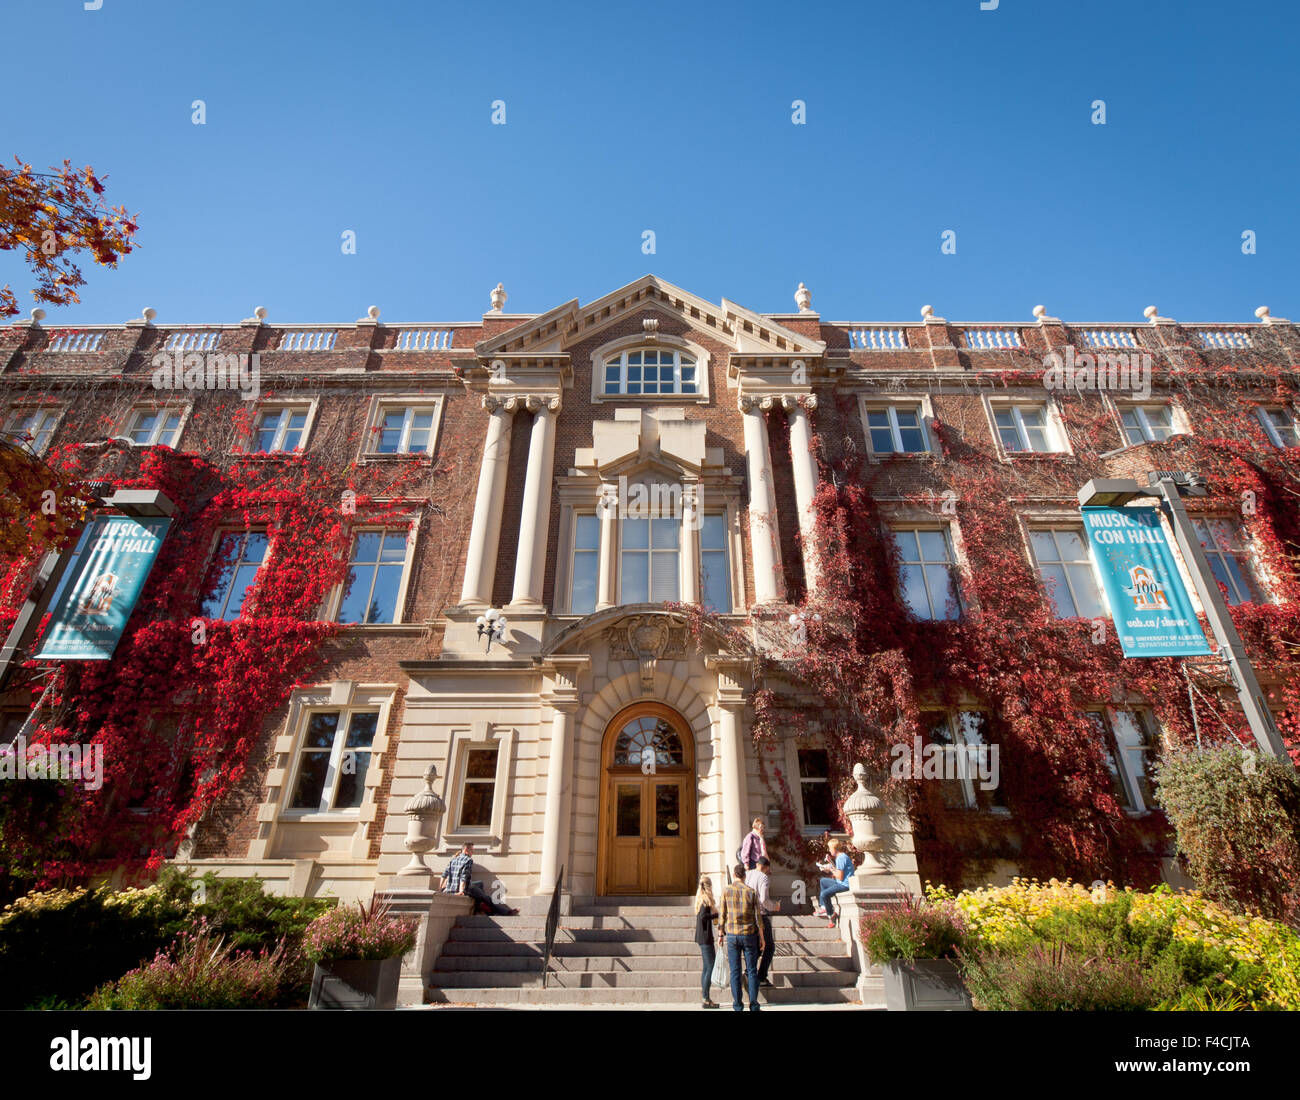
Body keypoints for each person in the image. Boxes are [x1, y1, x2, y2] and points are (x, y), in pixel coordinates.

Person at [718, 862, 765, 1012]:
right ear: (744, 876)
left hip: (732, 935)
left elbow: (722, 915)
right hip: (749, 935)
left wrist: (720, 934)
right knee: (752, 970)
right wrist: (762, 938)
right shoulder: (751, 892)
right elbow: (759, 918)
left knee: (735, 971)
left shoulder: (726, 891)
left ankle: (737, 1005)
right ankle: (754, 1003)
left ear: (734, 875)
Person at [439, 842, 518, 916]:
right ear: (466, 850)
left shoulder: (453, 860)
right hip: (465, 888)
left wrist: (440, 889)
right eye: (471, 850)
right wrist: (461, 891)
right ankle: (505, 912)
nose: (473, 852)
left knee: (479, 883)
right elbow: (464, 877)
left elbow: (444, 875)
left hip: (451, 889)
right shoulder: (468, 860)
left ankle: (479, 906)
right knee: (486, 898)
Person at [745, 856, 780, 988]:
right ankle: (761, 976)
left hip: (748, 915)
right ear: (765, 867)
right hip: (761, 915)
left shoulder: (747, 874)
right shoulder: (763, 877)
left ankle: (749, 970)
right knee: (769, 946)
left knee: (757, 946)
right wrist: (774, 906)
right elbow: (764, 899)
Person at [694, 875, 720, 1009]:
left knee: (706, 967)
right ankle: (706, 998)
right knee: (710, 966)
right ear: (709, 886)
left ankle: (706, 997)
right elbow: (704, 917)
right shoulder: (705, 900)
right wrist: (716, 915)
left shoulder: (700, 899)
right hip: (705, 937)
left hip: (702, 937)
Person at [814, 838, 854, 926]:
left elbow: (840, 876)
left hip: (844, 884)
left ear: (834, 848)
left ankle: (831, 914)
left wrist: (830, 869)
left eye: (830, 848)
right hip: (841, 882)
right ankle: (824, 907)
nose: (829, 850)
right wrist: (830, 862)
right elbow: (839, 871)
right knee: (823, 881)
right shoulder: (840, 857)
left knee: (824, 894)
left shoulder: (841, 858)